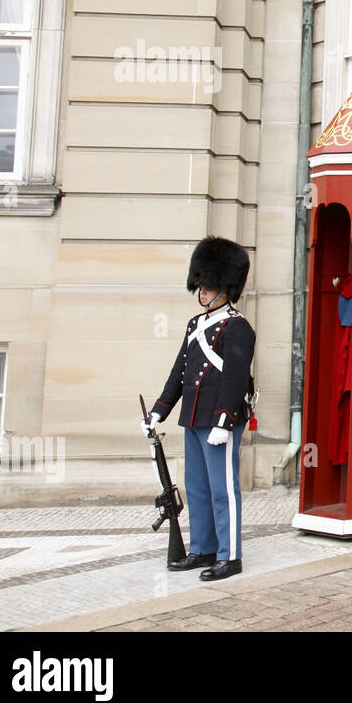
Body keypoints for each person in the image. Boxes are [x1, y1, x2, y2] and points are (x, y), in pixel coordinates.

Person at [141, 236, 255, 581]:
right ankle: (203, 548)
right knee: (199, 489)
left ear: (225, 287)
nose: (202, 292)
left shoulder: (237, 327)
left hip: (218, 422)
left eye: (208, 285)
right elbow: (180, 372)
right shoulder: (195, 325)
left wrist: (224, 421)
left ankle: (229, 555)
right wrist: (159, 411)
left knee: (223, 491)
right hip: (192, 418)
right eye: (200, 285)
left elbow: (234, 379)